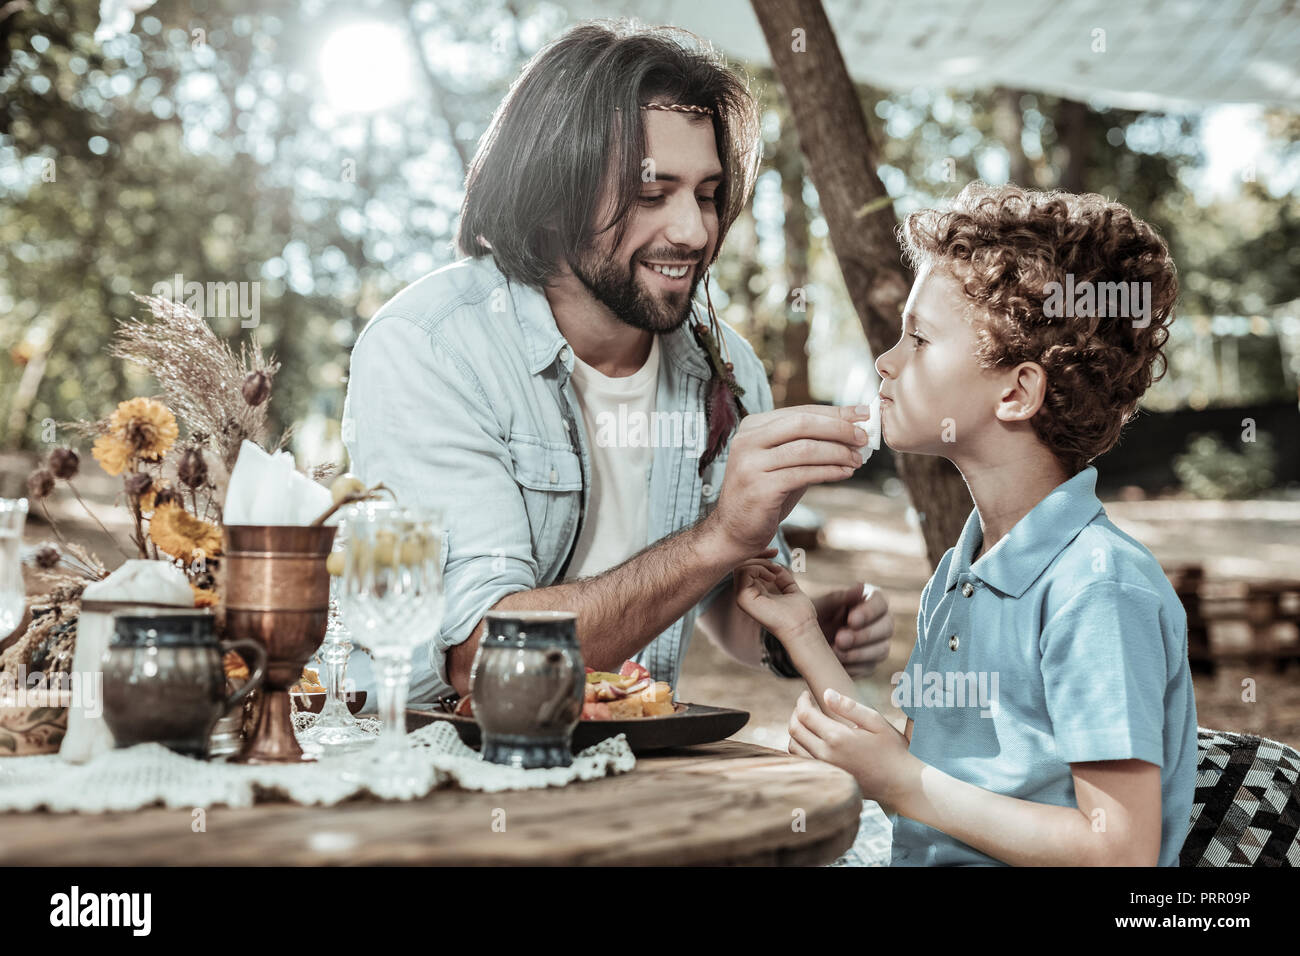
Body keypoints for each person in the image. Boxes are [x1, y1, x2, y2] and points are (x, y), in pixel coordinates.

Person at [339, 21, 894, 711]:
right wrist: (713, 539)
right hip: (443, 778)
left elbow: (724, 592)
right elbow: (482, 654)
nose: (693, 231)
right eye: (652, 193)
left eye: (708, 194)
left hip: (631, 774)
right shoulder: (431, 348)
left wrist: (793, 632)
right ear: (552, 199)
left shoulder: (726, 371)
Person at [735, 182, 1198, 866]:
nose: (885, 363)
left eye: (918, 340)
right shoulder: (965, 571)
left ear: (1016, 392)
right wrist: (801, 633)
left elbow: (1120, 852)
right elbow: (921, 770)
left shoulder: (1098, 589)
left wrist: (899, 780)